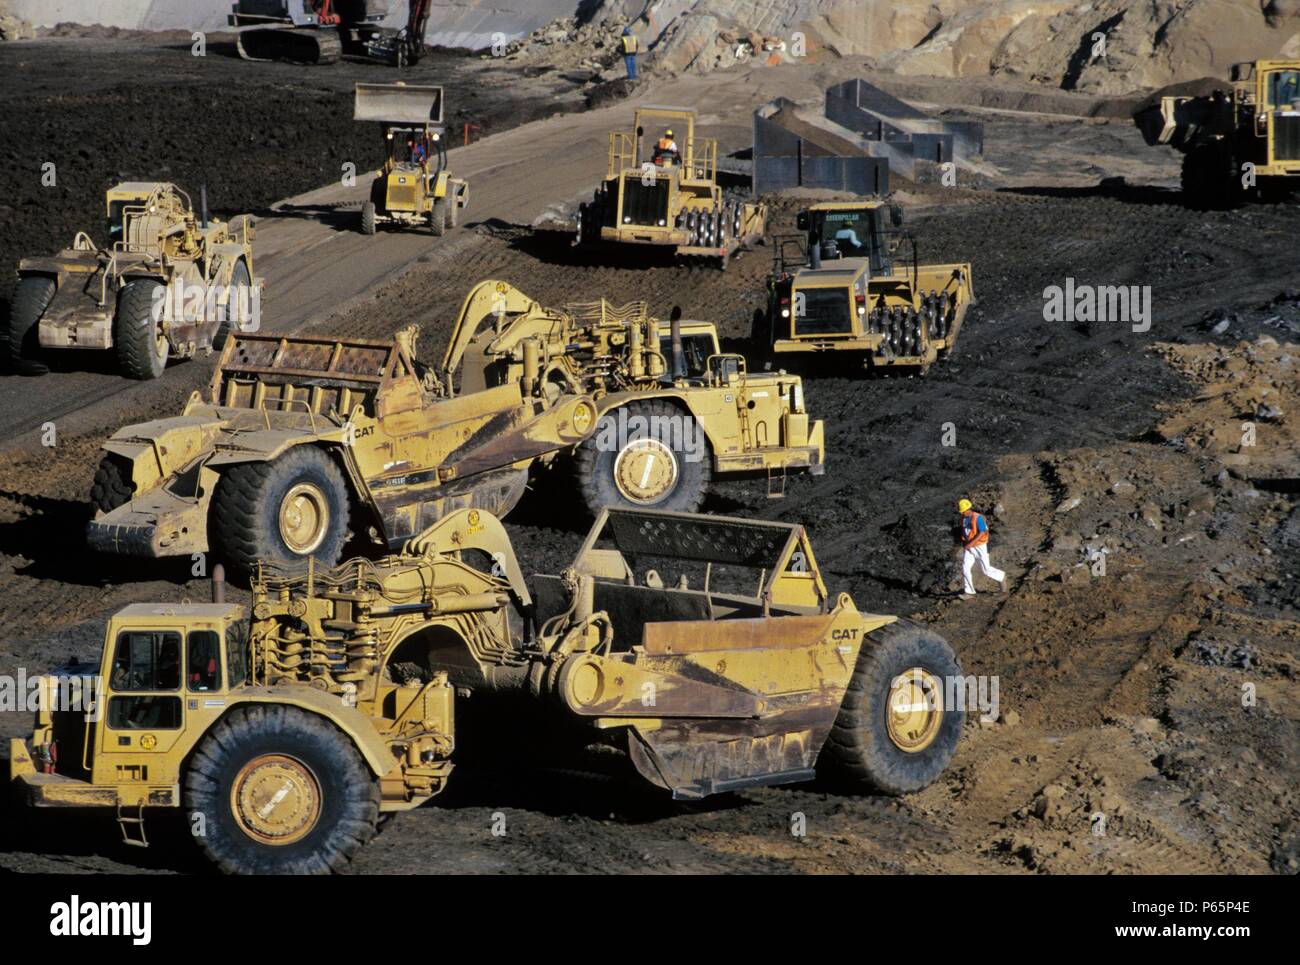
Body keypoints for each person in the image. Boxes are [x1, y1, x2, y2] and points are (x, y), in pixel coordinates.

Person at [957, 498, 1006, 597]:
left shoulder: (977, 518)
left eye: (963, 511)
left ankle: (1001, 576)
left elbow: (982, 531)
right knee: (965, 569)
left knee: (985, 570)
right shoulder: (963, 518)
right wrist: (965, 543)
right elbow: (965, 531)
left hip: (979, 546)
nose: (962, 513)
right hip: (969, 547)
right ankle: (969, 592)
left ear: (968, 510)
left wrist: (971, 544)